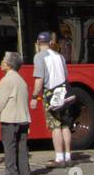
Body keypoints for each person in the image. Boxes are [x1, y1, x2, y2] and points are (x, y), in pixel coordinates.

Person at [31, 31, 74, 167]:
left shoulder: (39, 57)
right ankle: (68, 156)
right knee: (65, 125)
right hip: (64, 93)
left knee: (55, 126)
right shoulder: (60, 57)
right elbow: (66, 76)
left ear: (38, 43)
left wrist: (34, 96)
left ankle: (59, 158)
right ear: (51, 42)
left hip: (50, 95)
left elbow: (39, 80)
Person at [0, 51, 31, 175]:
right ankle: (25, 171)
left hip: (9, 118)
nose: (1, 62)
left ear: (9, 64)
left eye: (4, 60)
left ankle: (11, 172)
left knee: (9, 146)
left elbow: (0, 103)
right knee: (22, 146)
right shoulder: (22, 81)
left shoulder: (5, 80)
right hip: (23, 118)